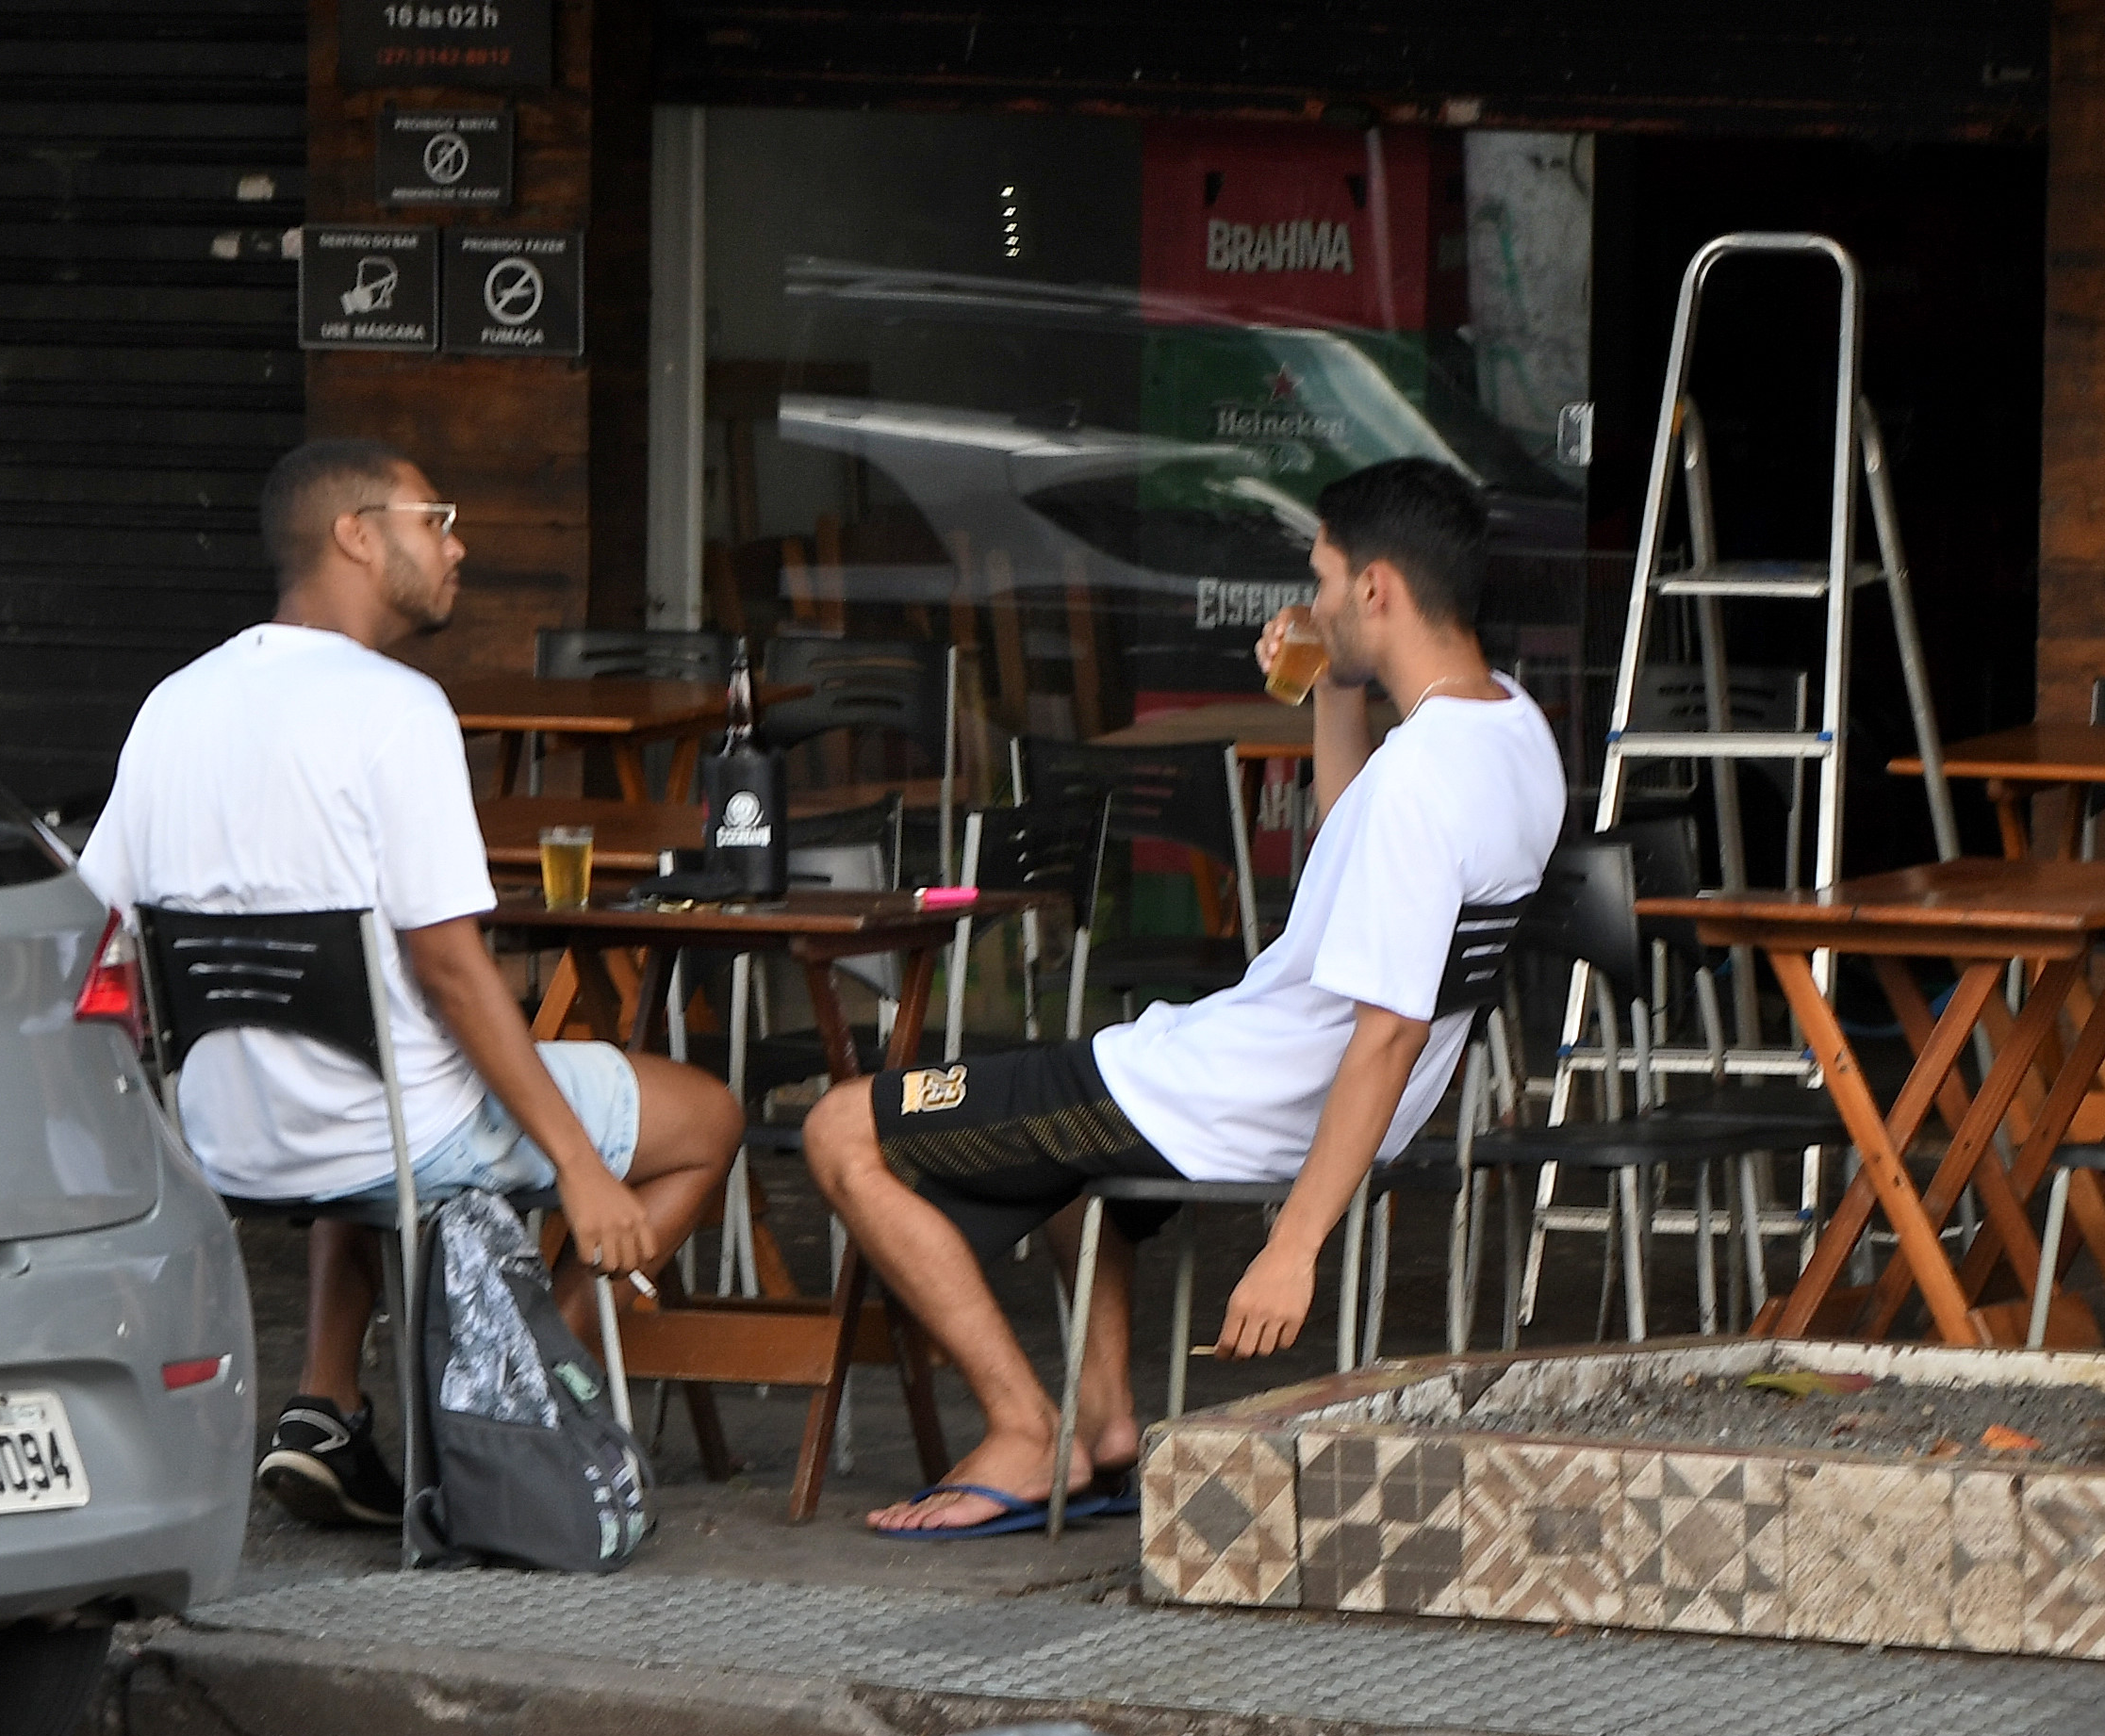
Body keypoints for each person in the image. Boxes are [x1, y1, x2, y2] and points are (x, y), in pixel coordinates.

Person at [807, 457, 1559, 1538]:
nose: (1311, 601)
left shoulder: (1420, 781)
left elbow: (1386, 1032)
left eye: (1324, 579)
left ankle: (1026, 1431)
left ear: (1378, 590)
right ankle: (1106, 1426)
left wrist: (1292, 1246)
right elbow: (1355, 847)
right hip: (1238, 1081)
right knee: (1047, 1124)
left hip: (1222, 1097)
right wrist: (1332, 685)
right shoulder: (1510, 735)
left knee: (845, 1130)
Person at [82, 437, 741, 1530]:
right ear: (354, 534)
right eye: (433, 518)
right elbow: (447, 963)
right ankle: (502, 1402)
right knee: (708, 1116)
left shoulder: (175, 702)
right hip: (393, 1132)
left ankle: (325, 1411)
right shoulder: (396, 709)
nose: (459, 545)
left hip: (227, 1136)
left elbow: (100, 919)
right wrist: (580, 1169)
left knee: (373, 1075)